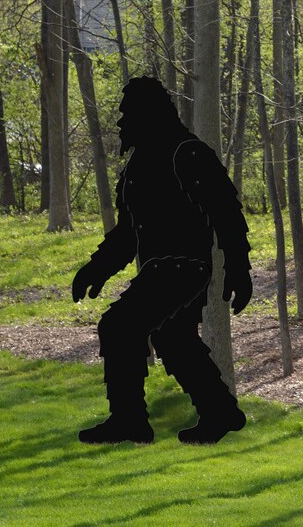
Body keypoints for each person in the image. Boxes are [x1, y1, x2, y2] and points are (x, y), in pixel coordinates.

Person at [72, 77, 253, 444]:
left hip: (183, 268)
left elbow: (226, 213)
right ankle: (220, 412)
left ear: (148, 114)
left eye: (128, 114)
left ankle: (129, 420)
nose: (122, 123)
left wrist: (239, 268)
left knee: (119, 327)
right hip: (159, 267)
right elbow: (127, 235)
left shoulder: (187, 152)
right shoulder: (137, 168)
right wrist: (97, 269)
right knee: (174, 338)